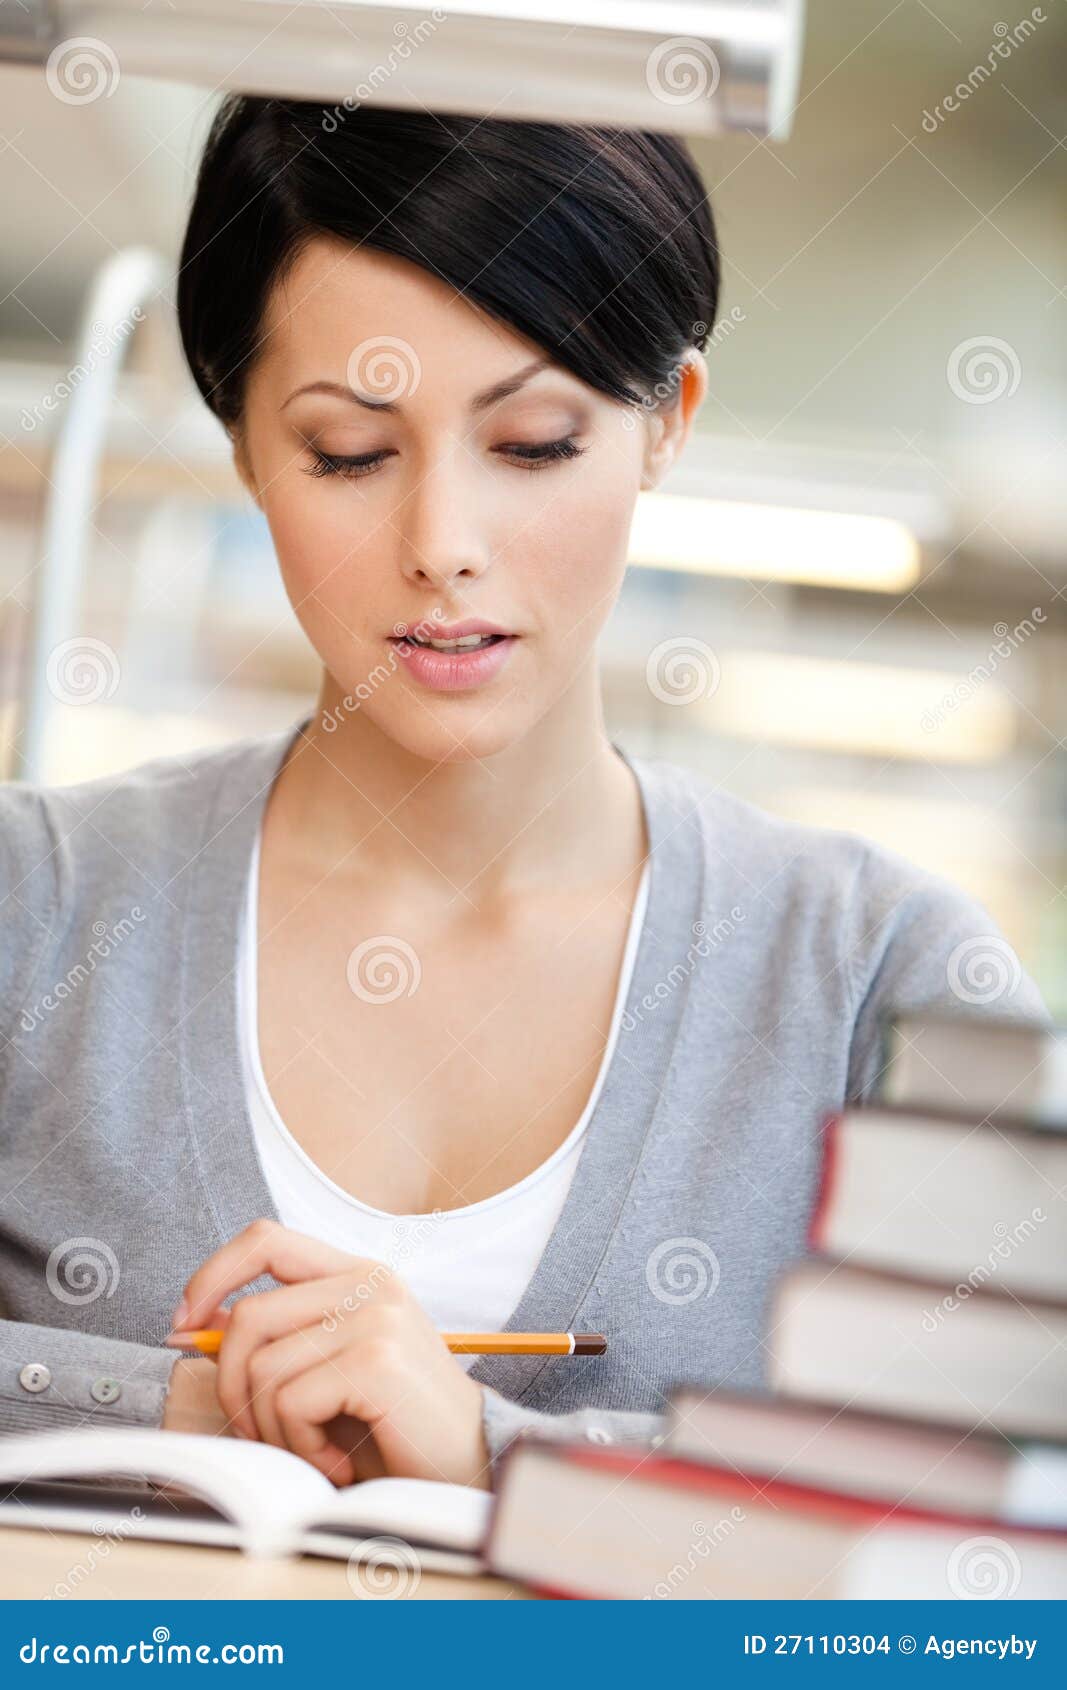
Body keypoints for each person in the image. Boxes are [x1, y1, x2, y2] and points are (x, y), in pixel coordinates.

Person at [0, 98, 1048, 1490]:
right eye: (349, 452)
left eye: (537, 442)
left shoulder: (884, 980)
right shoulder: (40, 905)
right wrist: (192, 1409)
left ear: (665, 424)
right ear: (245, 443)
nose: (444, 545)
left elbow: (1008, 1527)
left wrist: (493, 1455)